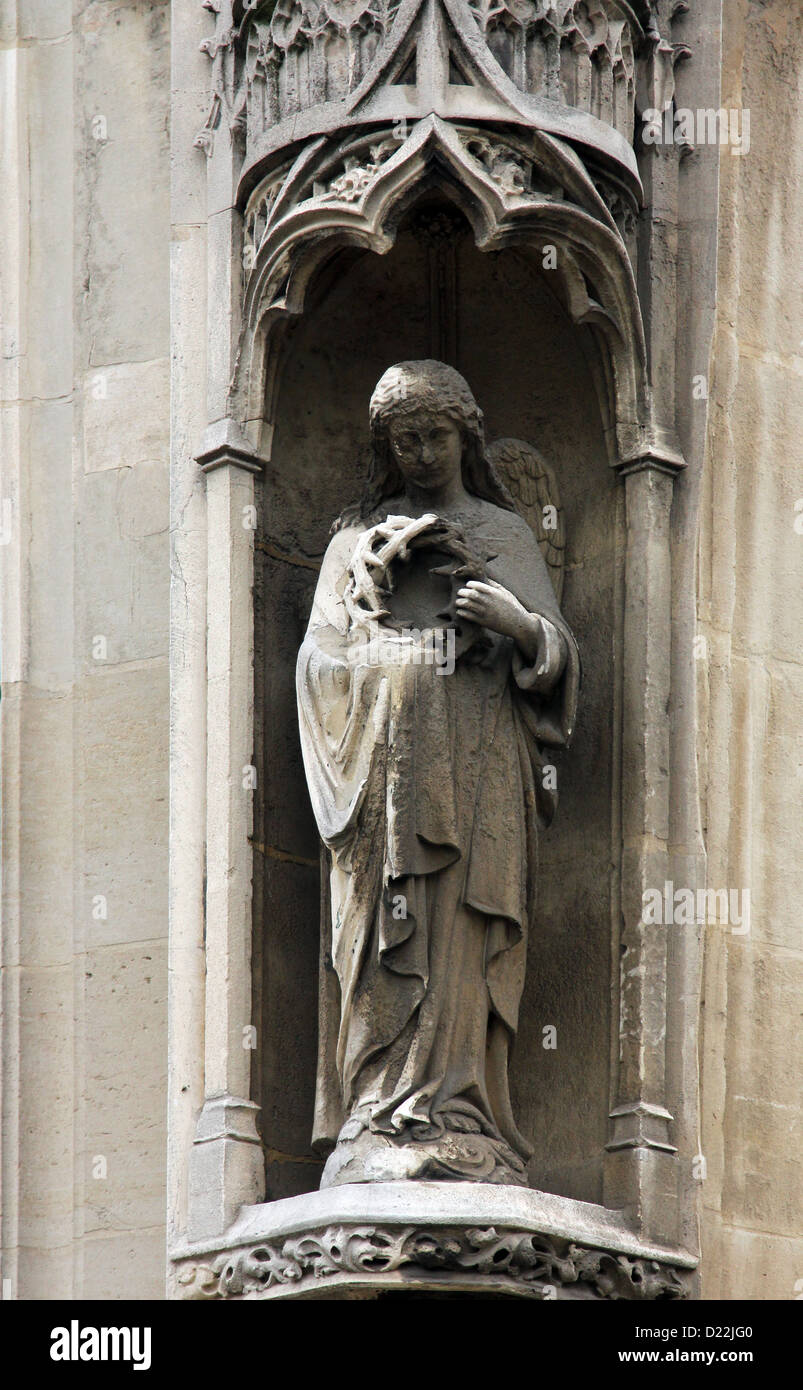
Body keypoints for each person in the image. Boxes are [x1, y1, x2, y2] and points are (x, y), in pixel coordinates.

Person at [297, 360, 579, 1187]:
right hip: (385, 778)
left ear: (466, 433)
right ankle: (378, 1108)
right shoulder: (352, 541)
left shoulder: (505, 533)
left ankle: (462, 1110)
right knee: (390, 933)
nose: (420, 452)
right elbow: (318, 664)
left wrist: (514, 621)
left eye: (434, 435)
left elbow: (559, 656)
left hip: (481, 767)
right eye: (403, 439)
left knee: (461, 929)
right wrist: (371, 610)